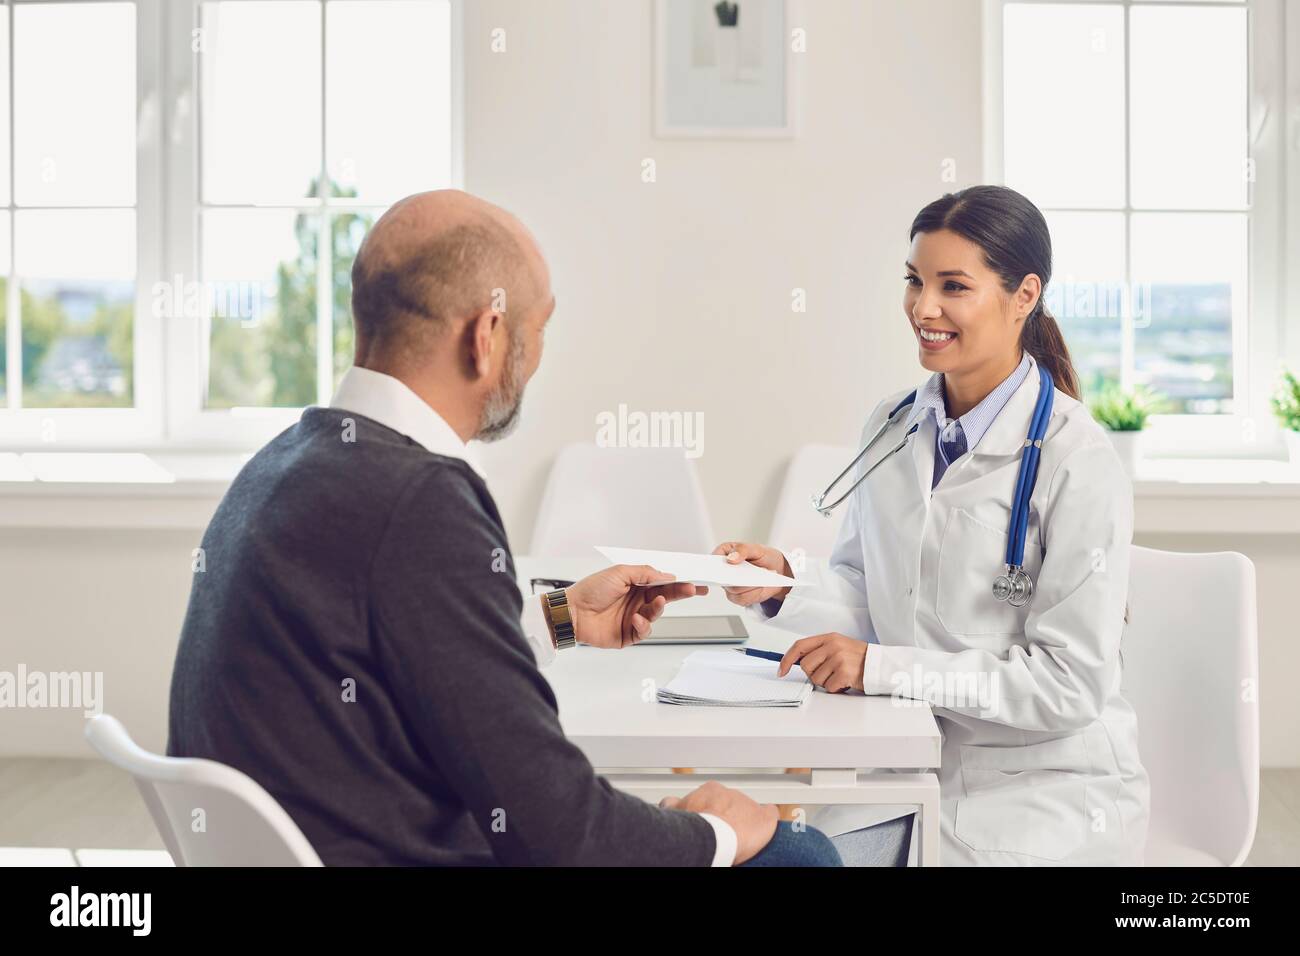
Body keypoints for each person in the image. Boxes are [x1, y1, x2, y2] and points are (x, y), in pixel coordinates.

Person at [168, 189, 840, 867]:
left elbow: (402, 662)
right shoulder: (421, 500)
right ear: (485, 335)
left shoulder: (289, 462)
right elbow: (563, 836)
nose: (540, 351)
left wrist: (564, 616)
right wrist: (720, 833)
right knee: (801, 853)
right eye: (539, 326)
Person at [712, 185, 1149, 866]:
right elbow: (874, 591)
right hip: (901, 762)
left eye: (954, 286)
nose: (924, 308)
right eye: (914, 281)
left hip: (1037, 791)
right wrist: (785, 587)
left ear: (1024, 295)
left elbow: (1069, 683)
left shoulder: (1077, 458)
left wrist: (881, 667)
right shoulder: (893, 424)